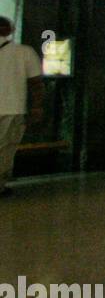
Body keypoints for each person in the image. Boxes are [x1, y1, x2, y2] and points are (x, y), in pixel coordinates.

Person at [0, 16, 44, 198]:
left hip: (12, 108)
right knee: (5, 148)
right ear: (10, 30)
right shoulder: (24, 52)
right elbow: (36, 83)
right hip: (13, 108)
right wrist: (37, 107)